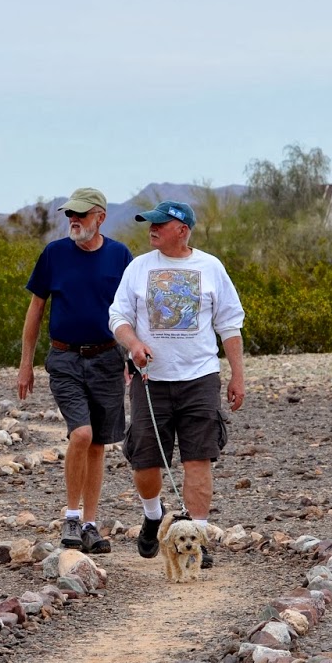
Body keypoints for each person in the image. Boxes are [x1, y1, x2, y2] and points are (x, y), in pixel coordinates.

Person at [109, 199, 246, 566]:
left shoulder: (211, 267)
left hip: (200, 377)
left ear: (182, 230)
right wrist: (133, 344)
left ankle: (195, 541)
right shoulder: (138, 268)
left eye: (160, 223)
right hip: (150, 380)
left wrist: (237, 375)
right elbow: (118, 315)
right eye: (149, 223)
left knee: (198, 459)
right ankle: (153, 514)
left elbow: (229, 323)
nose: (151, 228)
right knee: (145, 463)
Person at [18, 187, 133, 554]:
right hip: (65, 358)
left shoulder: (120, 256)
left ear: (100, 216)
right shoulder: (54, 253)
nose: (74, 220)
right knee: (81, 434)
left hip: (107, 358)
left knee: (99, 443)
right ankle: (70, 516)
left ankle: (90, 524)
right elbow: (36, 309)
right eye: (70, 214)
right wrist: (26, 364)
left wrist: (132, 355)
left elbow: (133, 311)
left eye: (81, 214)